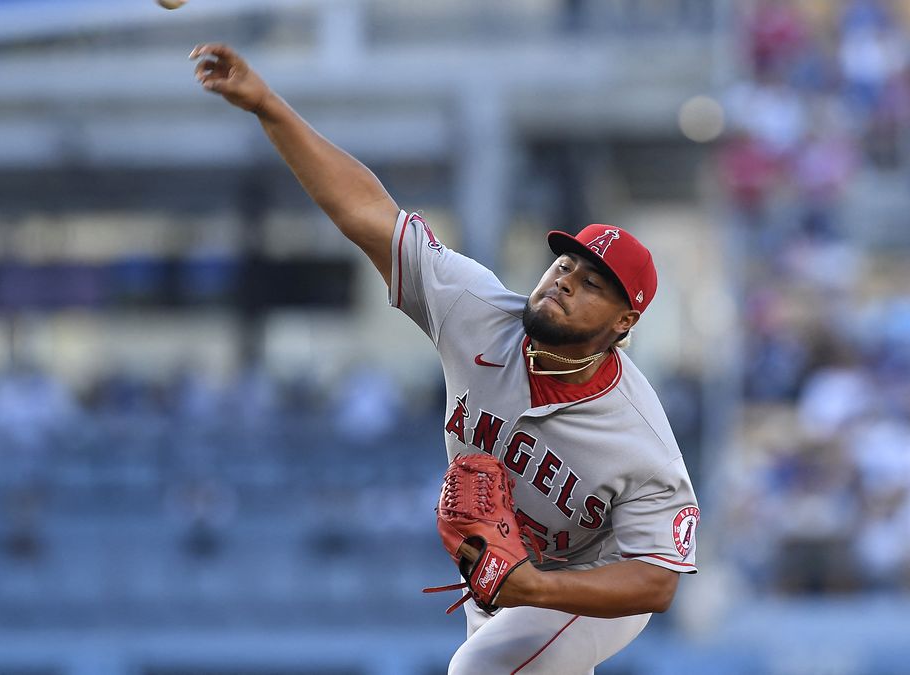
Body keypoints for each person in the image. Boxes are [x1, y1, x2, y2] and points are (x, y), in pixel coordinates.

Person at [190, 43, 699, 674]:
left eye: (593, 283)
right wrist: (268, 106)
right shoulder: (477, 311)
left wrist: (534, 589)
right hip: (499, 577)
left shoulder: (639, 436)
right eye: (564, 264)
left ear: (625, 323)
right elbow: (368, 215)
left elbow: (656, 583)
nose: (566, 280)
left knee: (476, 670)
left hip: (593, 586)